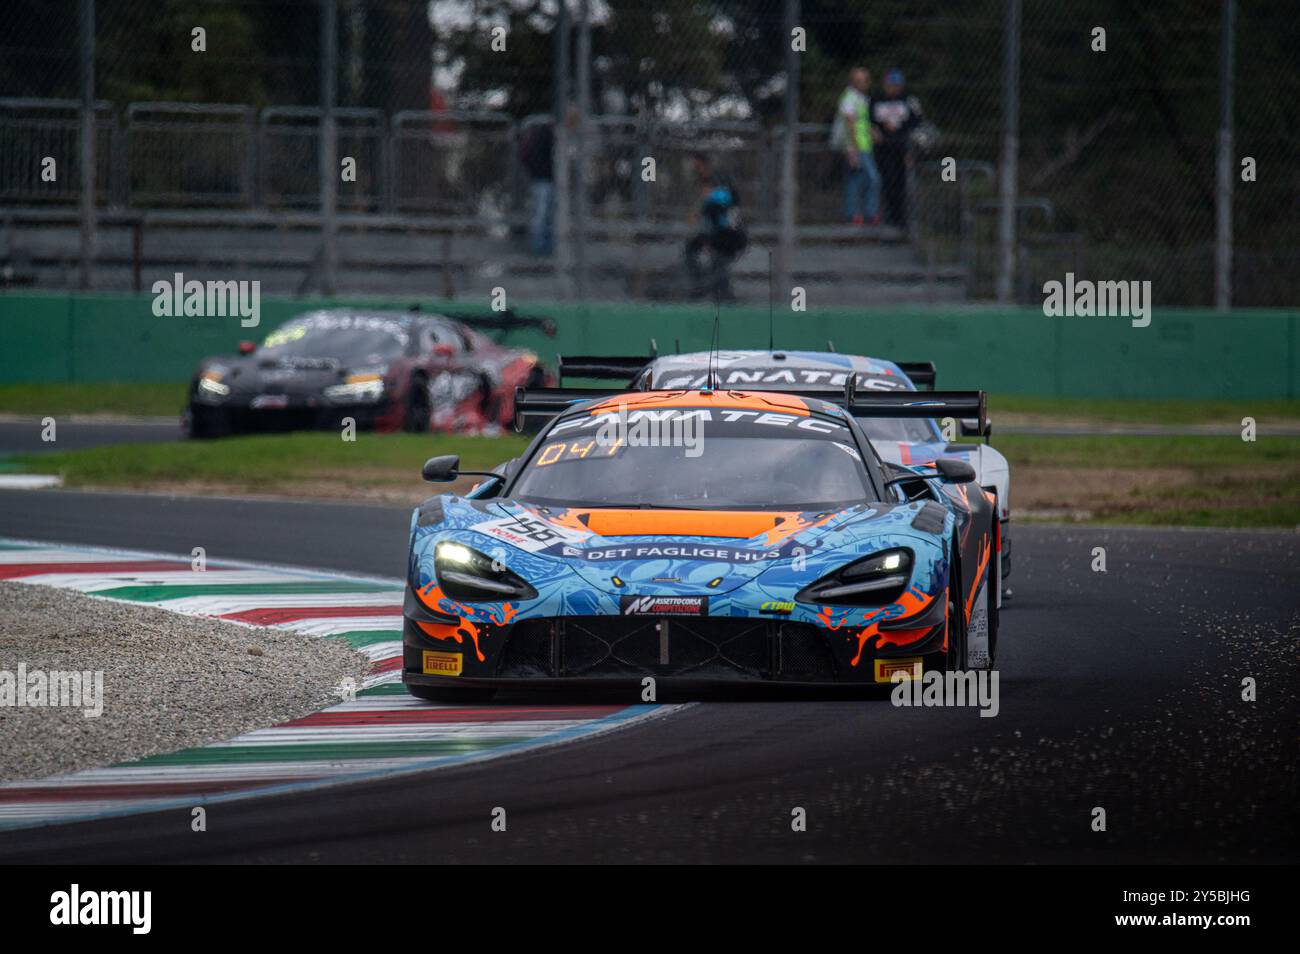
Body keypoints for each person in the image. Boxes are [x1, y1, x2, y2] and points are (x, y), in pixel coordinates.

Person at [683, 152, 747, 301]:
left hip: (729, 235)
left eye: (698, 165)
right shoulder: (715, 188)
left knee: (716, 263)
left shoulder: (718, 187)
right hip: (723, 233)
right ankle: (717, 292)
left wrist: (698, 214)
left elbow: (714, 210)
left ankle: (706, 290)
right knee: (713, 262)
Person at [871, 68, 923, 227]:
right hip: (884, 148)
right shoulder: (876, 100)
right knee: (887, 182)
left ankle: (901, 218)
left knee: (902, 183)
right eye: (890, 85)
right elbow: (869, 120)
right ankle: (889, 217)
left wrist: (911, 148)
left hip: (903, 146)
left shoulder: (909, 101)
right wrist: (875, 130)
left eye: (896, 85)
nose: (893, 88)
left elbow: (917, 123)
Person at [833, 66, 881, 226]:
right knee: (873, 179)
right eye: (860, 80)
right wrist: (852, 147)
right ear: (853, 82)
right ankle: (870, 213)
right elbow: (850, 122)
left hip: (864, 144)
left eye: (866, 80)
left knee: (855, 179)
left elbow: (862, 121)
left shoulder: (861, 98)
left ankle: (853, 215)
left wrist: (872, 131)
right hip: (856, 146)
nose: (865, 83)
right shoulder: (849, 98)